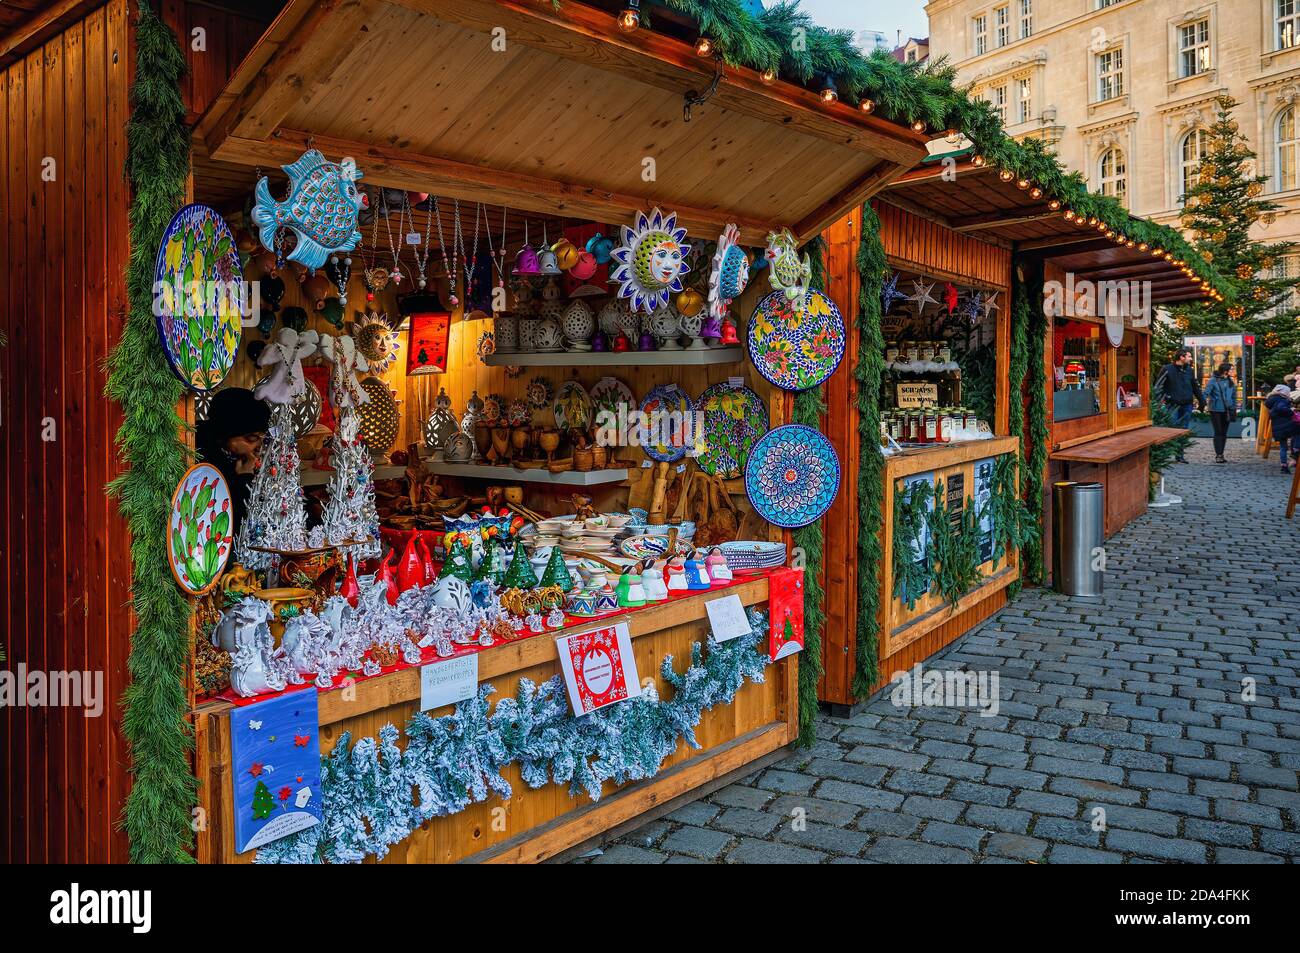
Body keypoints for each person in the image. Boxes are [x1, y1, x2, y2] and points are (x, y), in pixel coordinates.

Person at [196, 387, 270, 535]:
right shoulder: (202, 461)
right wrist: (244, 479)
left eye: (262, 438)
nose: (258, 447)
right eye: (252, 438)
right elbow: (235, 523)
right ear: (226, 433)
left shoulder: (234, 456)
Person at [1155, 347, 1204, 462]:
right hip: (1172, 405)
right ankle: (1165, 454)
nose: (1191, 359)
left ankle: (1179, 455)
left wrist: (1202, 401)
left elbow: (1195, 387)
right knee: (1171, 429)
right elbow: (1158, 386)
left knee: (1183, 429)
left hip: (1186, 404)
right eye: (1189, 356)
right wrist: (1165, 398)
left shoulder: (1189, 370)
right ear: (1181, 357)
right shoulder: (1167, 369)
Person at [1203, 363, 1238, 464]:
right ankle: (1218, 455)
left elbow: (1234, 396)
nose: (1233, 371)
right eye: (1231, 369)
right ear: (1225, 371)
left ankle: (1221, 454)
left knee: (1224, 433)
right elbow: (1206, 392)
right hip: (1215, 410)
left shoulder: (1230, 382)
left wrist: (1233, 407)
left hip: (1227, 410)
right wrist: (1205, 402)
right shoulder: (1213, 380)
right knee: (1218, 432)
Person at [1264, 383, 1300, 473]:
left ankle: (1284, 466)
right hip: (1287, 425)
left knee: (1283, 447)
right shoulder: (1282, 400)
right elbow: (1281, 408)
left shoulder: (1272, 400)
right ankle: (1295, 451)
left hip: (1277, 427)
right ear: (1284, 393)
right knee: (1298, 432)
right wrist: (1291, 411)